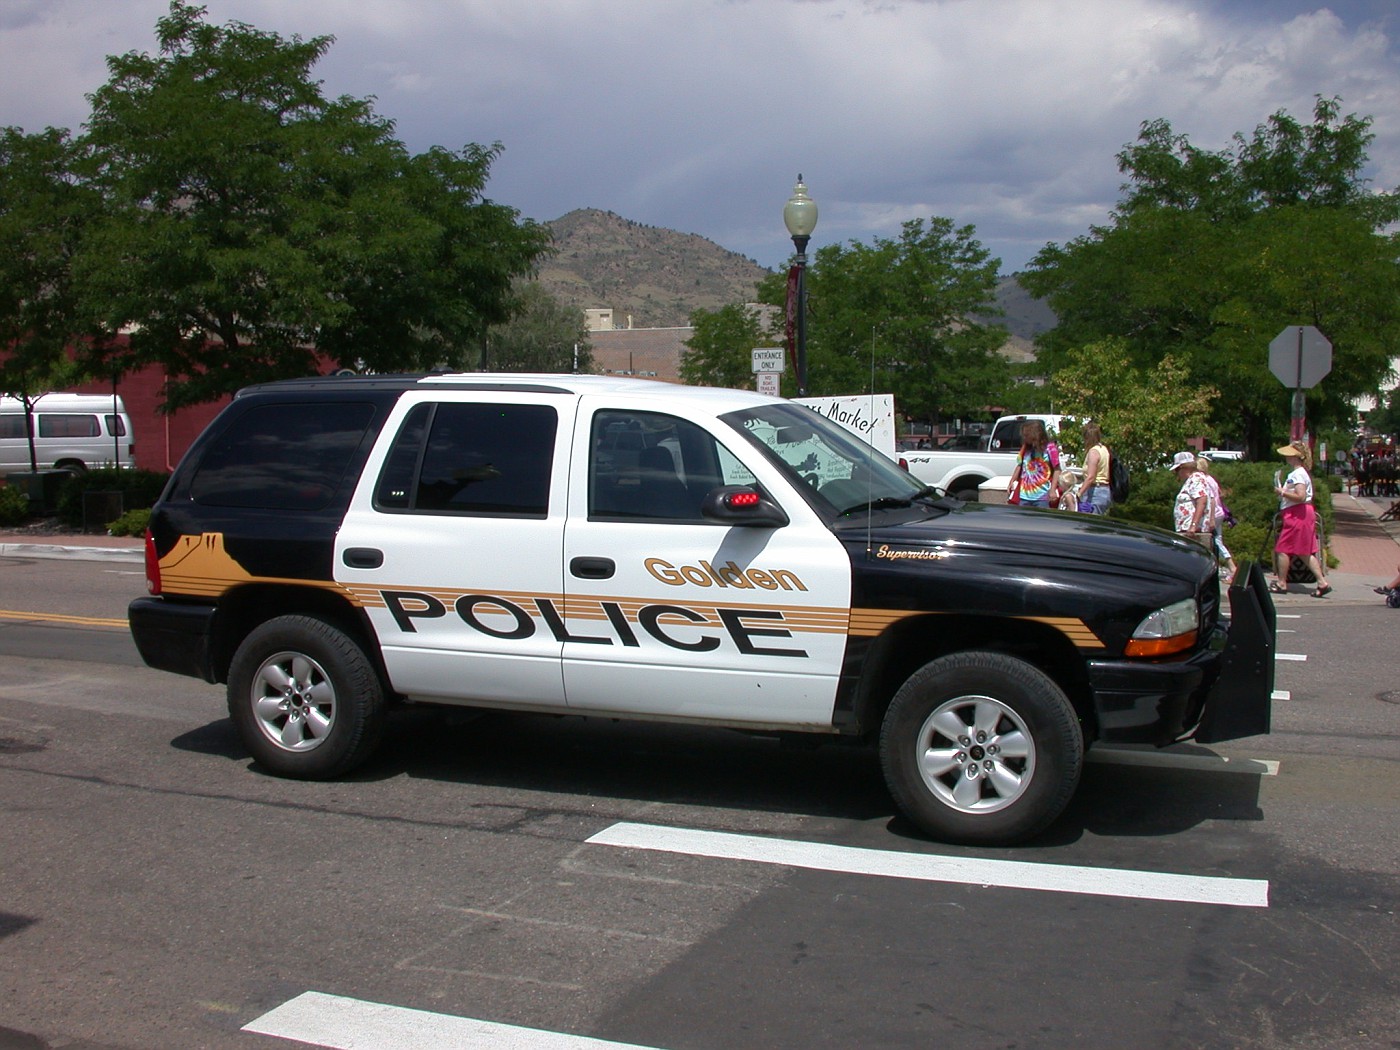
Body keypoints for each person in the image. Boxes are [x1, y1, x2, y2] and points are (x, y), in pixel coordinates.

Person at [1271, 442, 1331, 598]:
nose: (1286, 457)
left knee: (1283, 549)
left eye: (1289, 454)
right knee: (1303, 551)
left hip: (1297, 514)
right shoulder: (1301, 473)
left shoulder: (1297, 474)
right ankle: (1321, 582)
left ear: (1295, 456)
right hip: (1301, 513)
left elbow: (1300, 496)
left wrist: (1282, 492)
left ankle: (1282, 582)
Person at [1195, 457, 1237, 582]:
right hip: (1220, 512)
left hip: (1212, 514)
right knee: (1217, 540)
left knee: (1213, 541)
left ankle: (1231, 566)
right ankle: (1223, 566)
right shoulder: (1211, 479)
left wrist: (1211, 518)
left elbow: (1211, 499)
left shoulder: (1203, 481)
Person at [1007, 419, 1061, 508]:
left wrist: (1053, 489)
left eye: (1026, 435)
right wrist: (1012, 481)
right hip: (1024, 496)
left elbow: (1057, 469)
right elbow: (1019, 465)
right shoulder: (1025, 448)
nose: (1024, 437)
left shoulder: (1050, 448)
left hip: (1042, 496)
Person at [1169, 451, 1215, 550]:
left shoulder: (1196, 479)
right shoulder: (1192, 480)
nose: (1176, 473)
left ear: (1184, 467)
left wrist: (1193, 525)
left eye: (1177, 469)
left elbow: (1202, 500)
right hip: (1186, 529)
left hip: (1192, 531)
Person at [1077, 422, 1111, 514]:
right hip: (1104, 491)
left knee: (1089, 524)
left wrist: (1079, 493)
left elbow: (1091, 477)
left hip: (1095, 492)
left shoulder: (1093, 452)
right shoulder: (1104, 449)